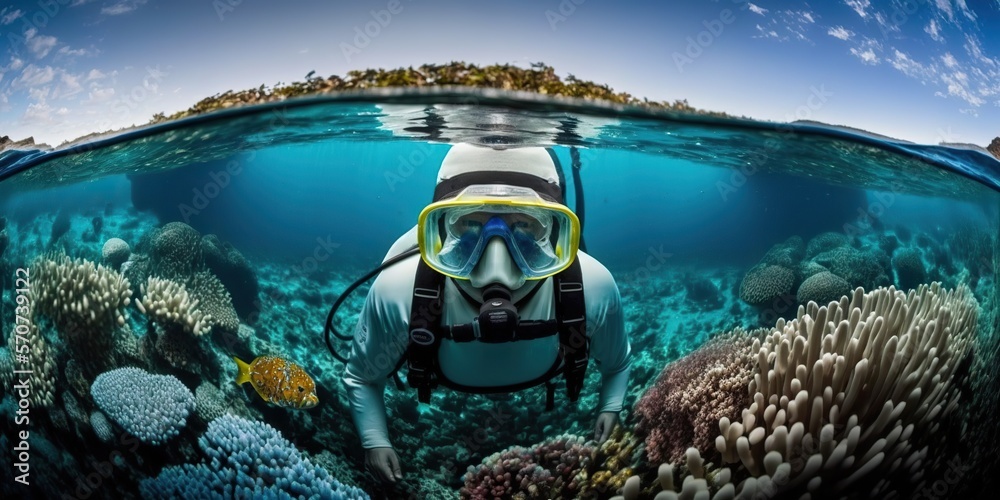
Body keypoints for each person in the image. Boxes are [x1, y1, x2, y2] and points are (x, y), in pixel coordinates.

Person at [341, 143, 632, 484]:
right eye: (469, 225)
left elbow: (618, 363)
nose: (497, 265)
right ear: (443, 226)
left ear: (552, 230)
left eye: (524, 224)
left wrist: (611, 406)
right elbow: (362, 376)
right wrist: (375, 441)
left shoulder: (591, 286)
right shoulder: (398, 290)